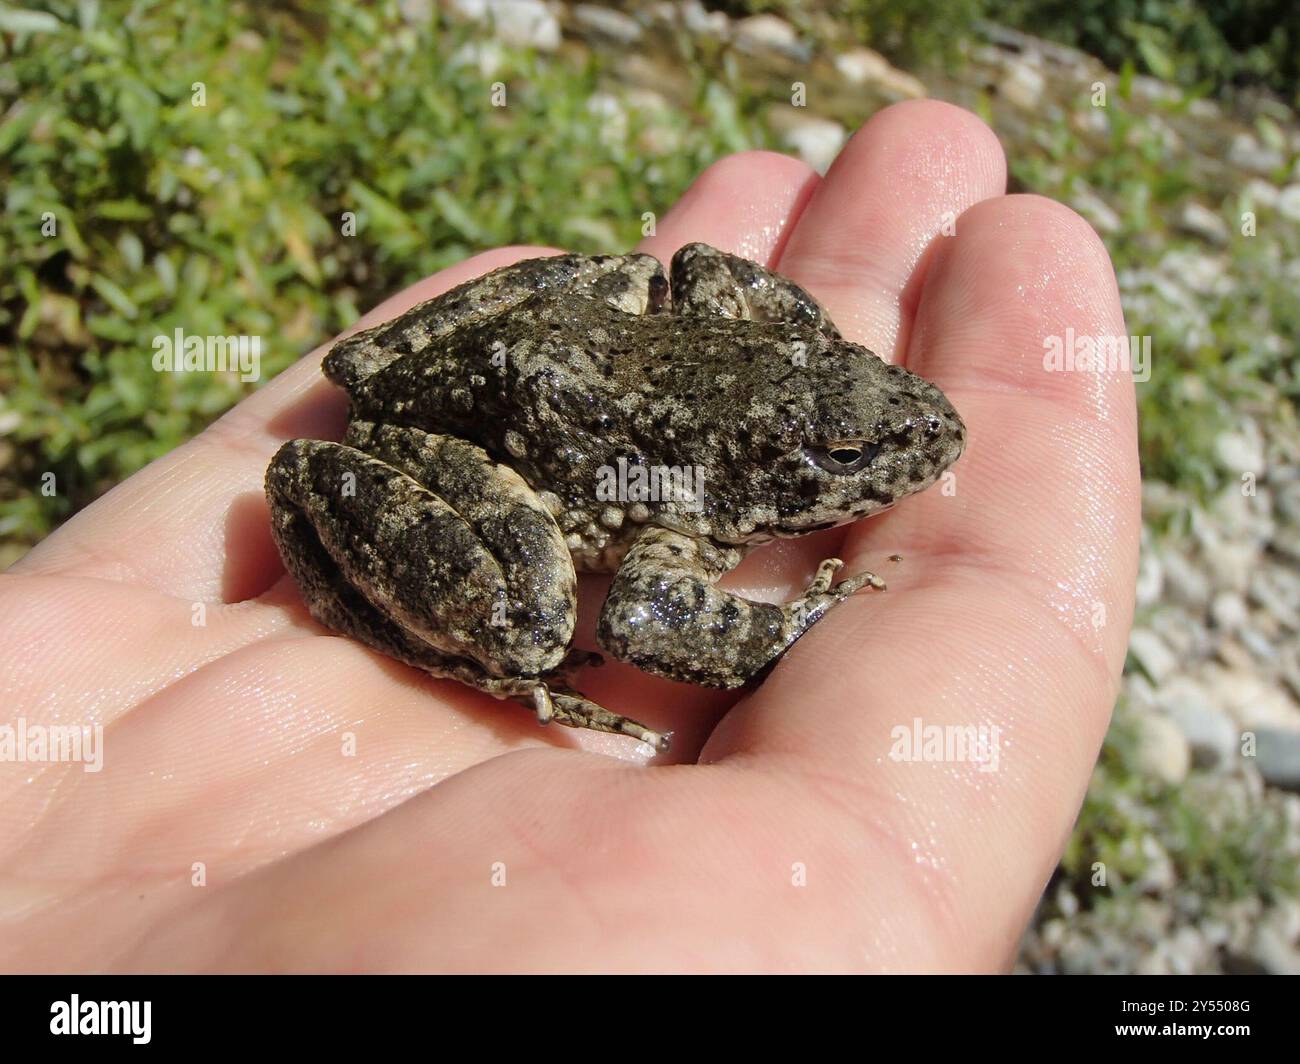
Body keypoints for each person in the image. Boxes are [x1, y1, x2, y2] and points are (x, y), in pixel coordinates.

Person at [0, 101, 1137, 972]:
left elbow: (700, 272)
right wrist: (788, 627)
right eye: (846, 454)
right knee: (536, 619)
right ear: (766, 474)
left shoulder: (766, 356)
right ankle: (467, 649)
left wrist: (806, 353)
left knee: (630, 280)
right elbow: (640, 613)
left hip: (535, 352)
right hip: (485, 445)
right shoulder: (686, 504)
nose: (919, 442)